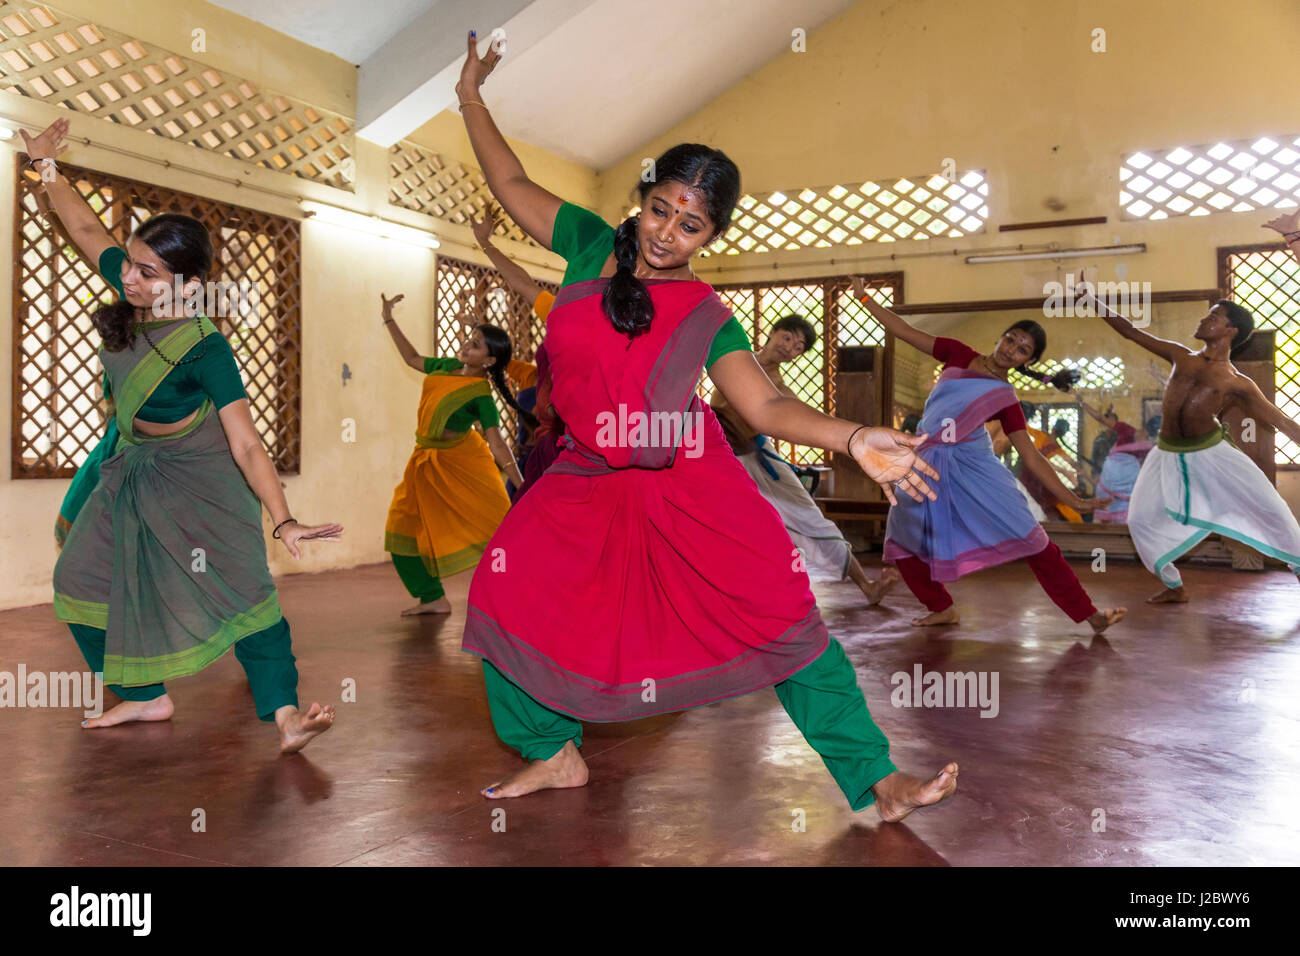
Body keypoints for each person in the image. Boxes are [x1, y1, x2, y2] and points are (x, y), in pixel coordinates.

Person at [453, 31, 958, 820]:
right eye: (660, 209)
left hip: (689, 478)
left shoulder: (706, 313)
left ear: (711, 238)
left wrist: (855, 438)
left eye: (690, 226)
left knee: (784, 617)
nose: (666, 233)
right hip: (585, 475)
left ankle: (873, 775)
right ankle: (552, 752)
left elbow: (765, 407)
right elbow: (509, 176)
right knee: (502, 593)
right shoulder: (587, 243)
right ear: (643, 200)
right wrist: (471, 98)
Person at [25, 118, 341, 752]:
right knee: (78, 583)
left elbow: (247, 443)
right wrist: (46, 166)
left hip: (205, 485)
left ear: (191, 286)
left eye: (148, 273)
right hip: (133, 472)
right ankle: (145, 699)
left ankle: (284, 717)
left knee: (246, 595)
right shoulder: (133, 290)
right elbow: (85, 229)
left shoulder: (206, 347)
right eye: (132, 266)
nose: (131, 280)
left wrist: (282, 520)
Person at [851, 276, 1126, 633]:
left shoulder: (1005, 396)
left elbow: (1031, 456)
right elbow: (902, 330)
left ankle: (1090, 615)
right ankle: (941, 607)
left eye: (1023, 349)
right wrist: (863, 298)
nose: (1012, 348)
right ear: (1000, 336)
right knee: (901, 541)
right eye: (1011, 338)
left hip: (975, 469)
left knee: (1034, 540)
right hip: (922, 461)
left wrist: (1074, 498)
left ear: (1028, 360)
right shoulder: (957, 352)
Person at [1086, 210, 1300, 603]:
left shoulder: (1238, 383)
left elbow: (1282, 420)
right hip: (1166, 452)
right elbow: (1131, 332)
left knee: (1267, 507)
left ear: (1230, 331)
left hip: (1212, 454)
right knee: (1141, 519)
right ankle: (1174, 587)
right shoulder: (1180, 356)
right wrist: (1094, 301)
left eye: (1212, 318)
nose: (1204, 321)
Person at [710, 313, 899, 602]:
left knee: (811, 519)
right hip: (720, 458)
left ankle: (867, 586)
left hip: (759, 456)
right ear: (773, 333)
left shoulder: (779, 388)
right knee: (724, 526)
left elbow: (795, 417)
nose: (790, 347)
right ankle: (728, 594)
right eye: (788, 337)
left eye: (799, 347)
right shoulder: (735, 360)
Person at [380, 289, 531, 615]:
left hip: (463, 464)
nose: (466, 344)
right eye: (469, 339)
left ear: (489, 361)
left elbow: (497, 442)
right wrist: (388, 319)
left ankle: (516, 591)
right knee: (399, 529)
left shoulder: (481, 395)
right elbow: (411, 358)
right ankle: (431, 597)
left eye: (475, 344)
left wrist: (522, 484)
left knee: (495, 530)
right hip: (424, 462)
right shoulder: (446, 366)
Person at [467, 206, 566, 500]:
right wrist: (485, 243)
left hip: (573, 455)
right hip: (537, 455)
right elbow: (521, 282)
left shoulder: (605, 331)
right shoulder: (559, 314)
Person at [1079, 400, 1152, 524]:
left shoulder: (1147, 447)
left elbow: (1146, 467)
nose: (1144, 439)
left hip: (1128, 486)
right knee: (1106, 516)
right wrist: (1082, 402)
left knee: (1126, 519)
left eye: (1148, 438)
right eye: (1145, 435)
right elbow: (1100, 417)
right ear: (1143, 430)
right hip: (1109, 479)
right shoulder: (1126, 430)